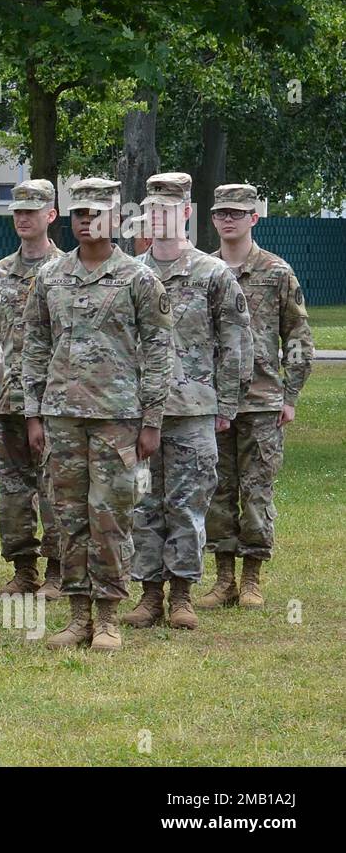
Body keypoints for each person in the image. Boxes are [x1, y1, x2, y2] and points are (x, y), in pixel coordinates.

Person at [22, 177, 173, 651]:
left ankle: (107, 616)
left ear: (117, 219)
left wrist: (152, 421)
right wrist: (33, 412)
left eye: (96, 213)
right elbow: (34, 346)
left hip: (117, 418)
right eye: (79, 213)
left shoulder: (137, 279)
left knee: (110, 516)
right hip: (62, 416)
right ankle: (77, 615)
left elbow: (160, 351)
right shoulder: (49, 276)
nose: (86, 221)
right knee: (69, 516)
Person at [122, 173, 251, 630]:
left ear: (186, 214)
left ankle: (181, 595)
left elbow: (235, 343)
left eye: (167, 210)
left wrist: (227, 406)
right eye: (151, 210)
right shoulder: (130, 272)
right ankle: (148, 594)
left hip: (194, 409)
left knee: (188, 502)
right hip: (137, 412)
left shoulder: (212, 274)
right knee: (142, 501)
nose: (158, 218)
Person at [199, 183, 314, 609]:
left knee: (257, 488)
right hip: (211, 400)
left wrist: (291, 394)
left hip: (263, 400)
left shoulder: (276, 272)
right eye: (221, 213)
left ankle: (252, 579)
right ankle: (223, 578)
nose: (228, 220)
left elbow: (298, 336)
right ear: (212, 219)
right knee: (218, 490)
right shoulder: (201, 271)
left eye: (237, 213)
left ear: (254, 218)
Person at [0, 180, 64, 598]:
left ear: (50, 216)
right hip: (8, 398)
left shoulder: (65, 269)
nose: (22, 218)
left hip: (53, 397)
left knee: (54, 486)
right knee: (14, 490)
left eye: (31, 211)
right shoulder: (2, 270)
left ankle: (56, 571)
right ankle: (23, 571)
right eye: (17, 211)